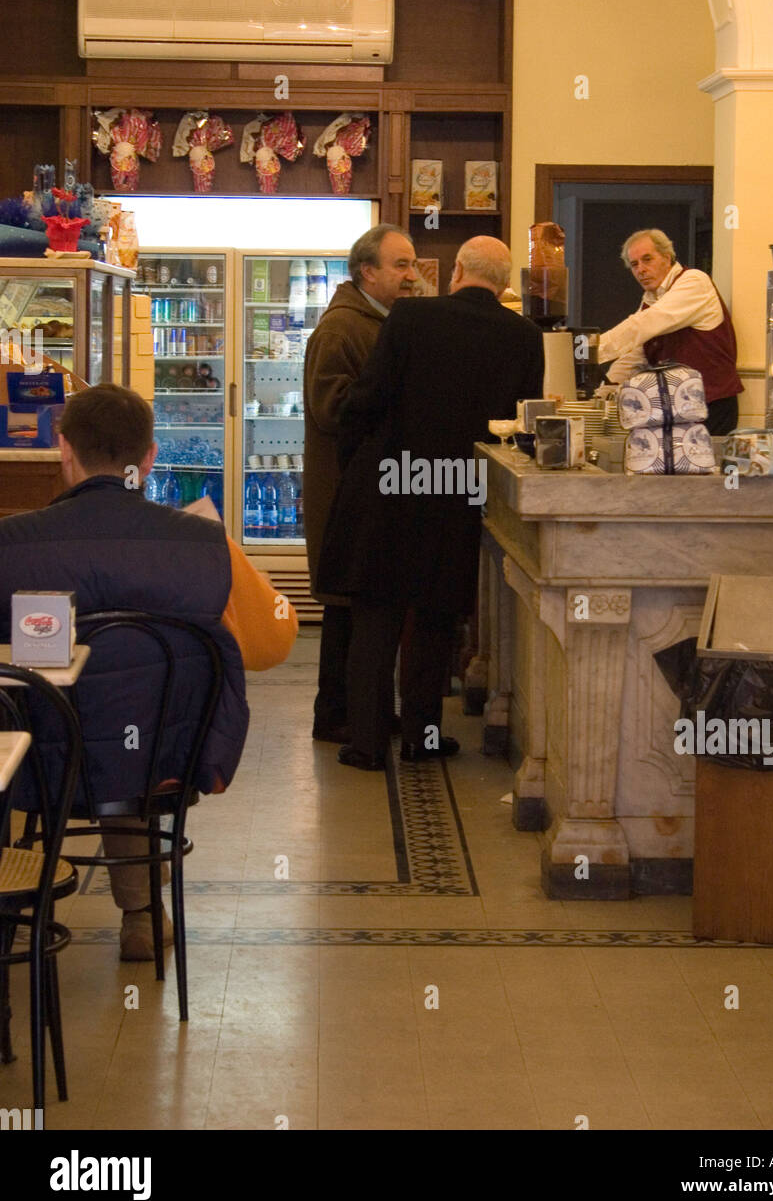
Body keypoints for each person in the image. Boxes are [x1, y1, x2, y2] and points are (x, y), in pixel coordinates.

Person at [0, 384, 296, 959]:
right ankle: (141, 914)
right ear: (150, 457)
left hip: (38, 763)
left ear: (64, 450)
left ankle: (13, 905)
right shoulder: (206, 542)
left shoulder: (11, 544)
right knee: (128, 726)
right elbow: (274, 644)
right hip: (164, 757)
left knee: (68, 723)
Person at [316, 236, 545, 771]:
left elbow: (366, 399)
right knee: (437, 615)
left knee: (378, 614)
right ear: (504, 282)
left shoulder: (411, 318)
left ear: (457, 269)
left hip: (392, 482)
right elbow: (518, 421)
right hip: (459, 484)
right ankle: (422, 735)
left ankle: (368, 744)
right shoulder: (525, 336)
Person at [303, 223, 418, 743]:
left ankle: (359, 710)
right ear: (367, 272)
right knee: (347, 609)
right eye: (401, 265)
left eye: (412, 264)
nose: (412, 275)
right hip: (345, 491)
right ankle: (339, 716)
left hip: (366, 491)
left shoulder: (379, 322)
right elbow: (332, 411)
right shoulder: (341, 329)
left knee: (357, 608)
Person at [598, 228, 743, 435]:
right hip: (677, 409)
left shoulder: (694, 281)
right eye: (634, 264)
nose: (641, 269)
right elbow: (635, 354)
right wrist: (604, 390)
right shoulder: (651, 298)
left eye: (647, 259)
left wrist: (589, 349)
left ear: (667, 257)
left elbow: (645, 324)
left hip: (712, 405)